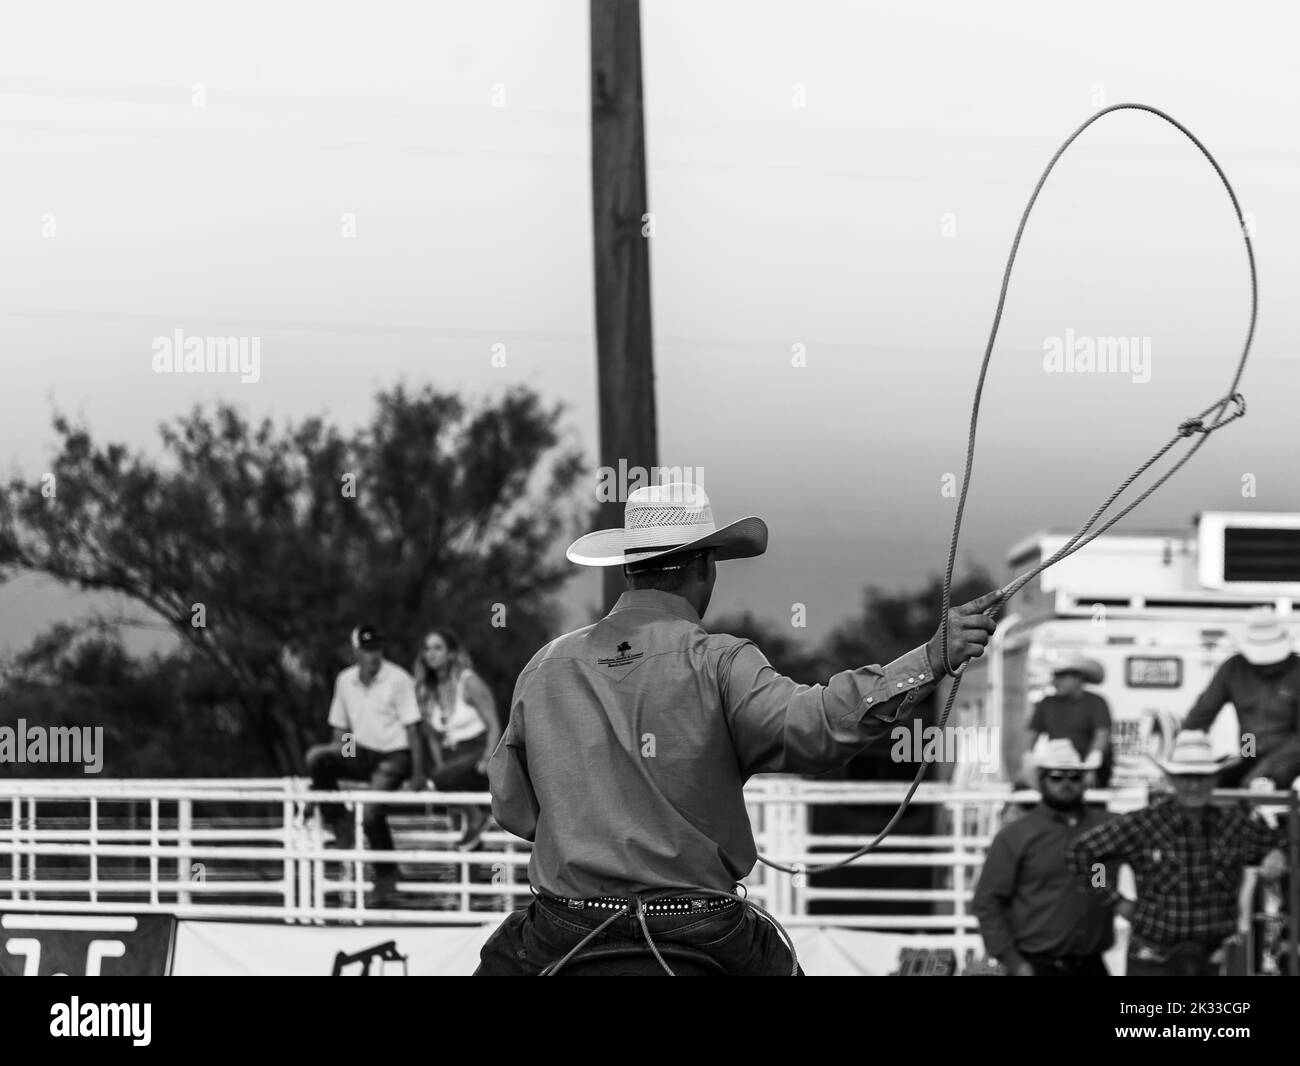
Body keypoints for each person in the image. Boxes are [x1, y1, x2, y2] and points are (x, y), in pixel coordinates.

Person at [474, 481, 999, 976]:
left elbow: (512, 806)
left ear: (629, 569)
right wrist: (929, 660)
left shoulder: (547, 666)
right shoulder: (719, 661)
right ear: (706, 568)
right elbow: (815, 728)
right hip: (698, 927)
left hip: (566, 925)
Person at [1067, 730, 1286, 977]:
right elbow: (1083, 853)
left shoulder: (1234, 825)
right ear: (1171, 778)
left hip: (1212, 959)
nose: (1194, 785)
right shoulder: (1143, 823)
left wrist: (1276, 853)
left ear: (1215, 779)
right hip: (1153, 959)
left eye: (1202, 777)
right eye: (1185, 777)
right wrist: (1115, 901)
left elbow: (1284, 842)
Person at [305, 624, 425, 904]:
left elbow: (413, 729)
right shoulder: (345, 680)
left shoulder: (398, 679)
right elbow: (340, 729)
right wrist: (330, 772)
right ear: (356, 652)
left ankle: (387, 878)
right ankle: (341, 821)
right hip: (360, 751)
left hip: (395, 753)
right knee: (317, 758)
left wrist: (418, 773)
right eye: (368, 649)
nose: (374, 655)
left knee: (371, 812)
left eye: (377, 649)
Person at [1182, 612, 1300, 788]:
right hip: (1249, 752)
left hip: (1290, 760)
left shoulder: (1297, 671)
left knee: (1263, 785)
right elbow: (1198, 718)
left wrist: (1266, 769)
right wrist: (1190, 759)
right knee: (1212, 784)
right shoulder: (1233, 669)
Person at [414, 628, 501, 849]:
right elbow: (432, 737)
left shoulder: (468, 681)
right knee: (464, 833)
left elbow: (494, 723)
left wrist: (487, 759)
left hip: (477, 753)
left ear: (451, 653)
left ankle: (476, 817)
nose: (431, 653)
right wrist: (441, 768)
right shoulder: (426, 691)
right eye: (427, 648)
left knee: (439, 781)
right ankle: (471, 839)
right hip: (451, 760)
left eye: (437, 648)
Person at [1025, 655, 1112, 787]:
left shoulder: (1096, 702)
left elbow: (1101, 737)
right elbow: (1031, 736)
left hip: (1090, 770)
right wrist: (1026, 762)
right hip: (1056, 769)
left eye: (1061, 676)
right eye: (1054, 676)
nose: (1055, 682)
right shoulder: (1047, 703)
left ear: (1078, 678)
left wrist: (1090, 767)